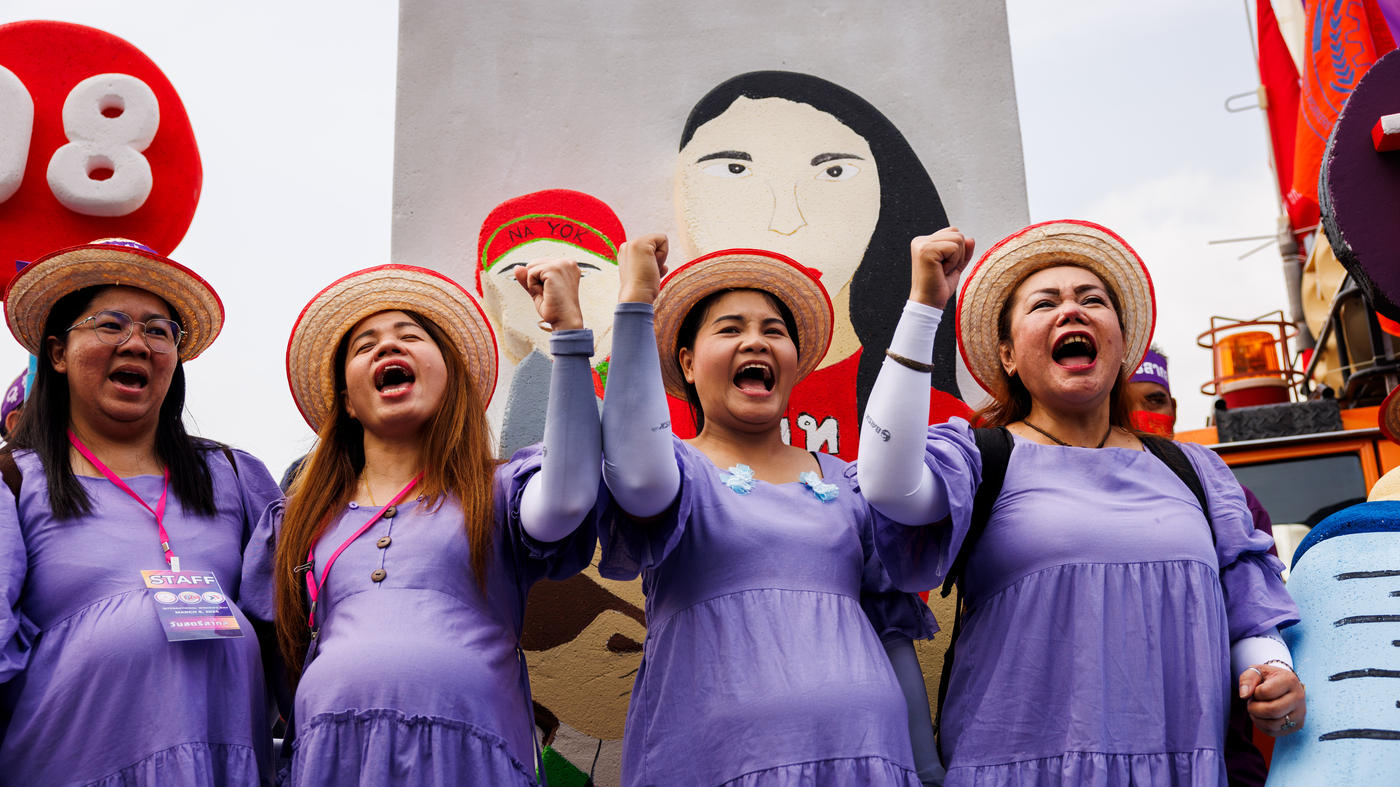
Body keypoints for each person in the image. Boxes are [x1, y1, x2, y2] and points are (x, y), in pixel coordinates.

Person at [859, 221, 1306, 785]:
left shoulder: (1197, 473)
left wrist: (1273, 674)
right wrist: (924, 305)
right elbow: (884, 484)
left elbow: (1250, 613)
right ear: (1008, 355)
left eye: (1092, 299)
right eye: (1044, 303)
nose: (1071, 310)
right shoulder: (980, 458)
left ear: (1121, 344)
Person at [241, 261, 603, 786]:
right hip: (330, 761)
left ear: (449, 375)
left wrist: (569, 334)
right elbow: (272, 661)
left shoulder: (499, 492)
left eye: (409, 336)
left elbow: (568, 499)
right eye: (364, 346)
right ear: (345, 399)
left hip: (469, 759)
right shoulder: (297, 520)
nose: (387, 347)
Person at [597, 234, 941, 786]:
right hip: (716, 764)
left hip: (869, 760)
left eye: (773, 331)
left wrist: (925, 768)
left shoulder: (850, 482)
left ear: (794, 362)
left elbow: (892, 632)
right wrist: (637, 299)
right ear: (686, 363)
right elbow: (632, 462)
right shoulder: (673, 473)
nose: (755, 342)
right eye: (730, 329)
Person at [0, 238, 283, 786]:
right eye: (110, 324)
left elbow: (291, 628)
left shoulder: (234, 475)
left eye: (158, 331)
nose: (137, 344)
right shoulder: (13, 480)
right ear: (57, 353)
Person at [670, 71, 970, 459]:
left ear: (887, 197)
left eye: (834, 171)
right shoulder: (646, 424)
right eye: (734, 170)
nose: (787, 220)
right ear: (687, 363)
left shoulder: (939, 422)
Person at [476, 189, 625, 458]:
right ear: (486, 285)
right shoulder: (534, 378)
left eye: (580, 271)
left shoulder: (646, 371)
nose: (552, 291)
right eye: (517, 276)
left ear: (620, 278)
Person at [1127, 345, 1176, 437]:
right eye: (1122, 406)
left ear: (1174, 410)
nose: (1139, 421)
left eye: (1155, 402)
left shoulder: (1197, 451)